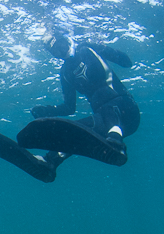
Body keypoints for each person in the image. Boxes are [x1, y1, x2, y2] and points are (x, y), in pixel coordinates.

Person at [31, 32, 140, 170]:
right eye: (54, 51)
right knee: (71, 129)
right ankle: (50, 161)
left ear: (66, 40)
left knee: (108, 108)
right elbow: (69, 108)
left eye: (59, 46)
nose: (59, 52)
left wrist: (101, 47)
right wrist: (47, 110)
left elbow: (126, 62)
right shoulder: (66, 73)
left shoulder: (88, 49)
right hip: (104, 122)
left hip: (127, 110)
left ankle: (116, 141)